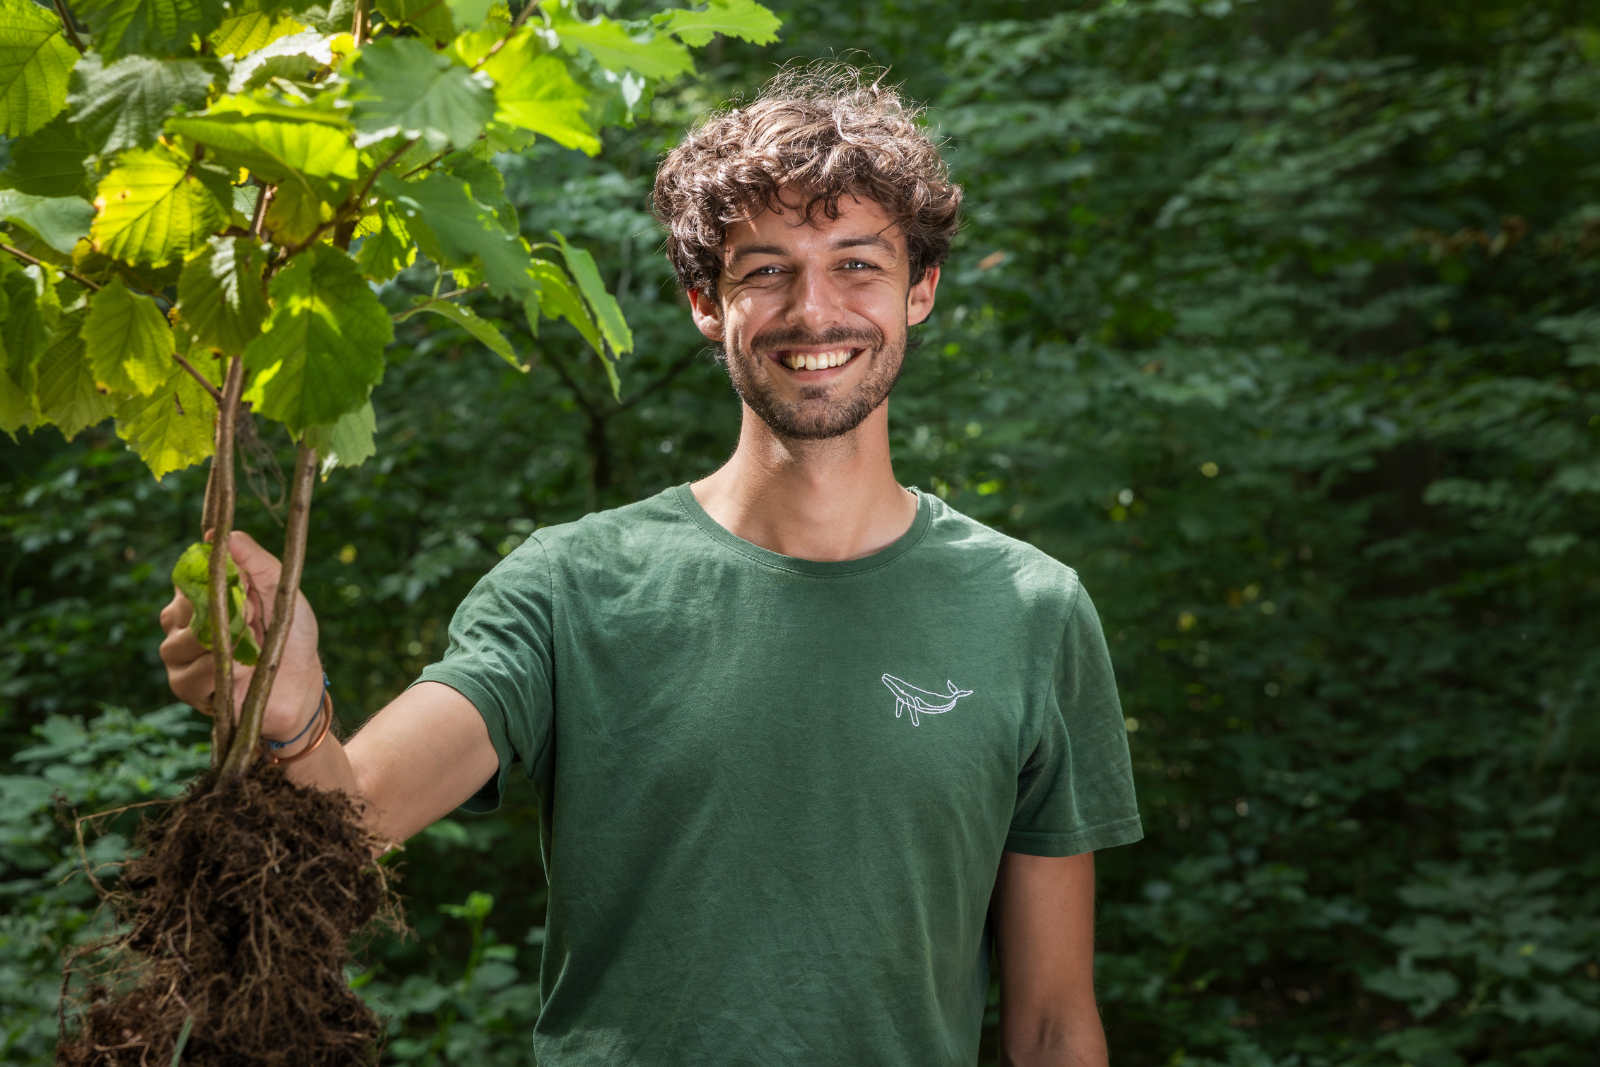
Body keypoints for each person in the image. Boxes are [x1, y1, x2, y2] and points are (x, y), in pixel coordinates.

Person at [159, 65, 1142, 1067]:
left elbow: (1053, 1024)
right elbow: (355, 816)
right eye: (765, 270)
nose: (814, 309)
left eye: (856, 263)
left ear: (919, 289)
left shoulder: (1031, 611)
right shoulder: (570, 586)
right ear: (705, 302)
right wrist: (291, 714)